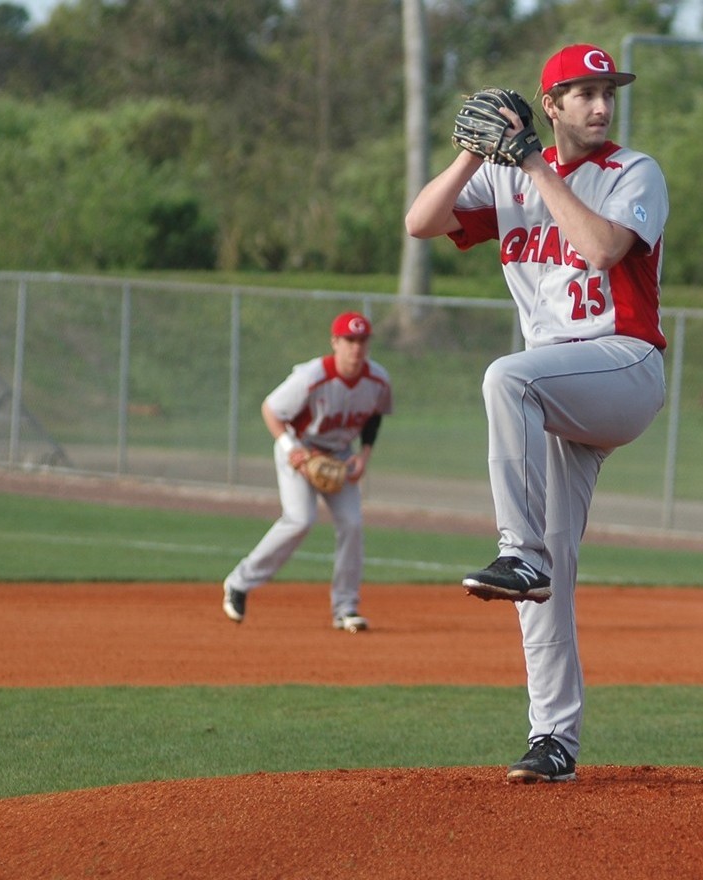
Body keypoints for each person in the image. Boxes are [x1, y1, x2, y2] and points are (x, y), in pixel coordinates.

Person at [404, 43, 668, 784]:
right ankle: (554, 741)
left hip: (623, 366)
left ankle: (517, 552)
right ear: (550, 107)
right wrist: (467, 155)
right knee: (549, 574)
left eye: (606, 90)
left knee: (505, 378)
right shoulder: (508, 175)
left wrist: (534, 165)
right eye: (582, 92)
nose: (600, 104)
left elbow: (600, 247)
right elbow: (420, 223)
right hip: (559, 389)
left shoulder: (632, 171)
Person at [221, 311, 393, 632]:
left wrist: (364, 456)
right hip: (299, 448)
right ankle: (239, 583)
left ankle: (346, 608)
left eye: (362, 340)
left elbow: (374, 416)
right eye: (349, 340)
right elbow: (271, 410)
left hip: (339, 457)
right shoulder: (313, 376)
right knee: (300, 519)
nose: (356, 347)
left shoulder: (378, 379)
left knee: (352, 524)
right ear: (335, 343)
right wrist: (292, 451)